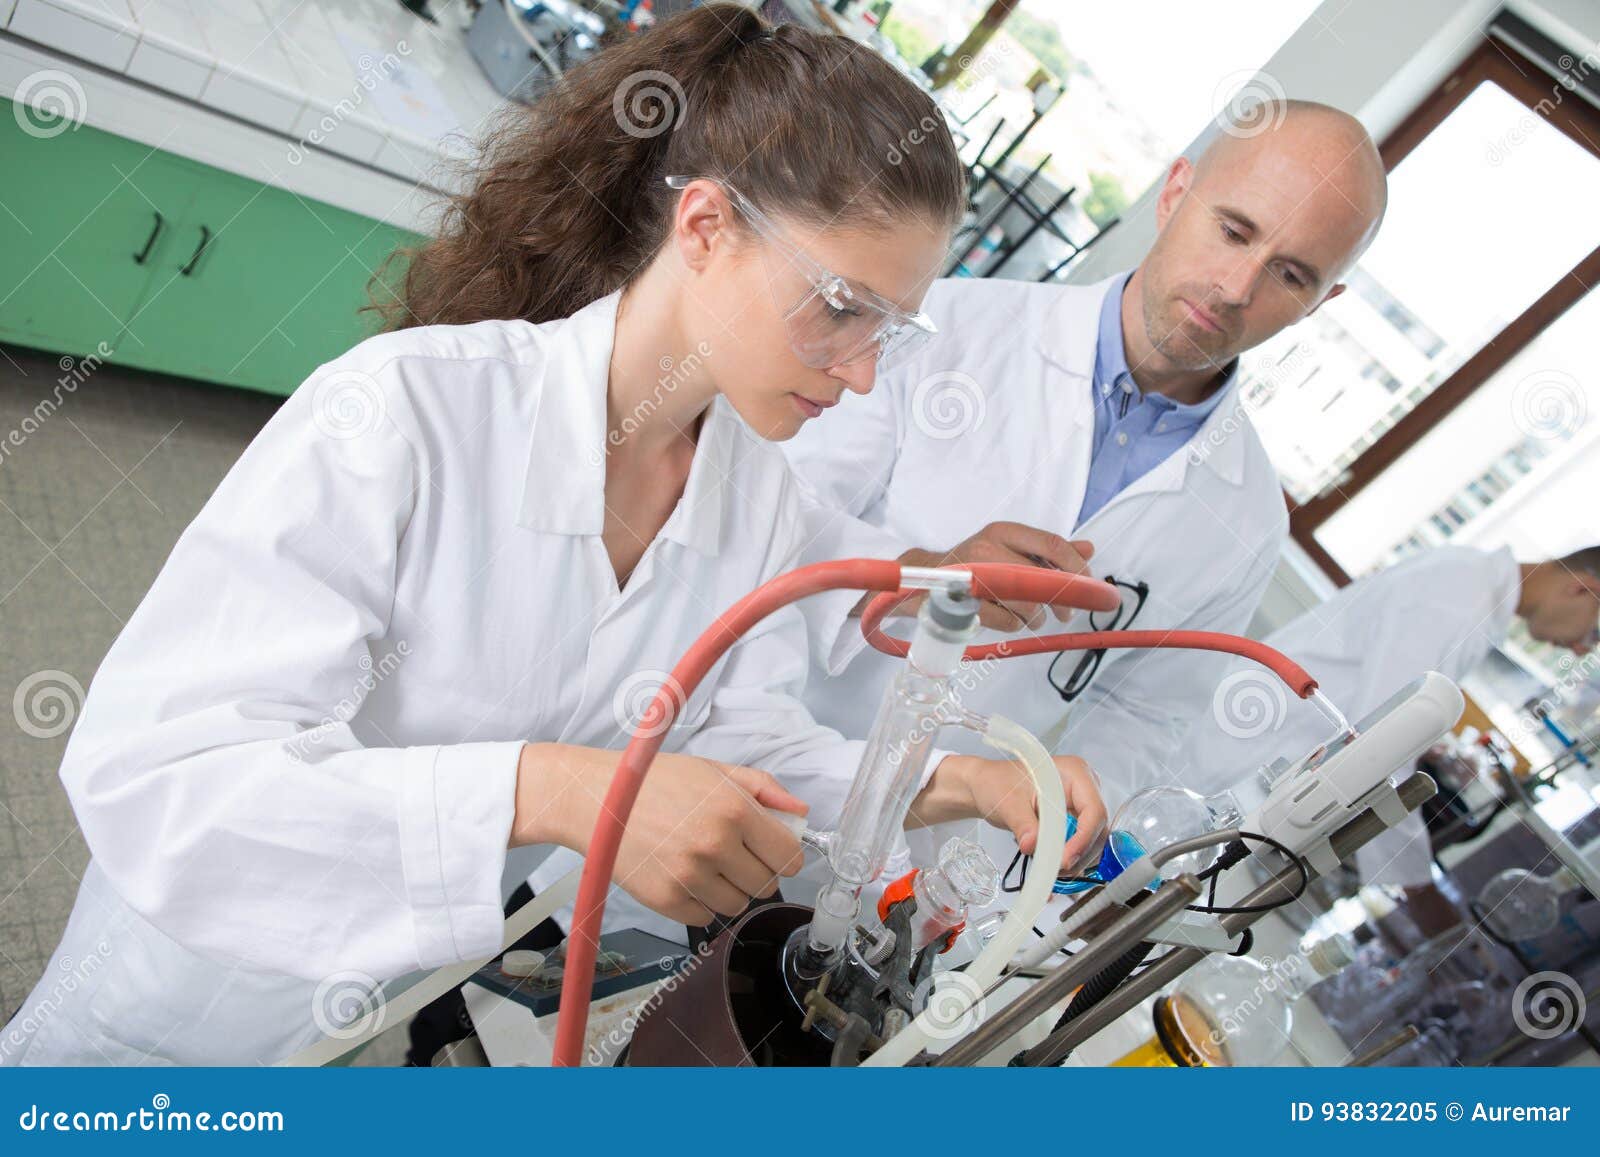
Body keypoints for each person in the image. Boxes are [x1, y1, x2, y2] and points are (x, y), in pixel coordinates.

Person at [0, 7, 1103, 1067]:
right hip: (181, 993)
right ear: (706, 227)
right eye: (837, 306)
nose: (862, 374)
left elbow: (735, 736)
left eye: (890, 331)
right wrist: (557, 790)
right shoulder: (410, 414)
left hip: (369, 1006)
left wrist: (966, 778)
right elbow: (166, 777)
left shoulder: (750, 494)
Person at [784, 101, 1390, 886]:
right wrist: (922, 571)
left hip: (914, 864)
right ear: (1176, 192)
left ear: (1323, 302)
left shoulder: (1245, 518)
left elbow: (1151, 710)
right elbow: (777, 514)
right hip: (765, 743)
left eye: (1292, 274)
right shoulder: (954, 329)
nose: (1238, 287)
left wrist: (1082, 788)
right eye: (1235, 230)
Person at [1182, 544, 1600, 906]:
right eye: (1595, 634)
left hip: (1249, 749)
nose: (1582, 648)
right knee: (1150, 879)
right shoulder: (1463, 602)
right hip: (1238, 763)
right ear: (1583, 588)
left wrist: (1425, 744)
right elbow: (1377, 744)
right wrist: (1416, 885)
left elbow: (1384, 697)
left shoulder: (1470, 575)